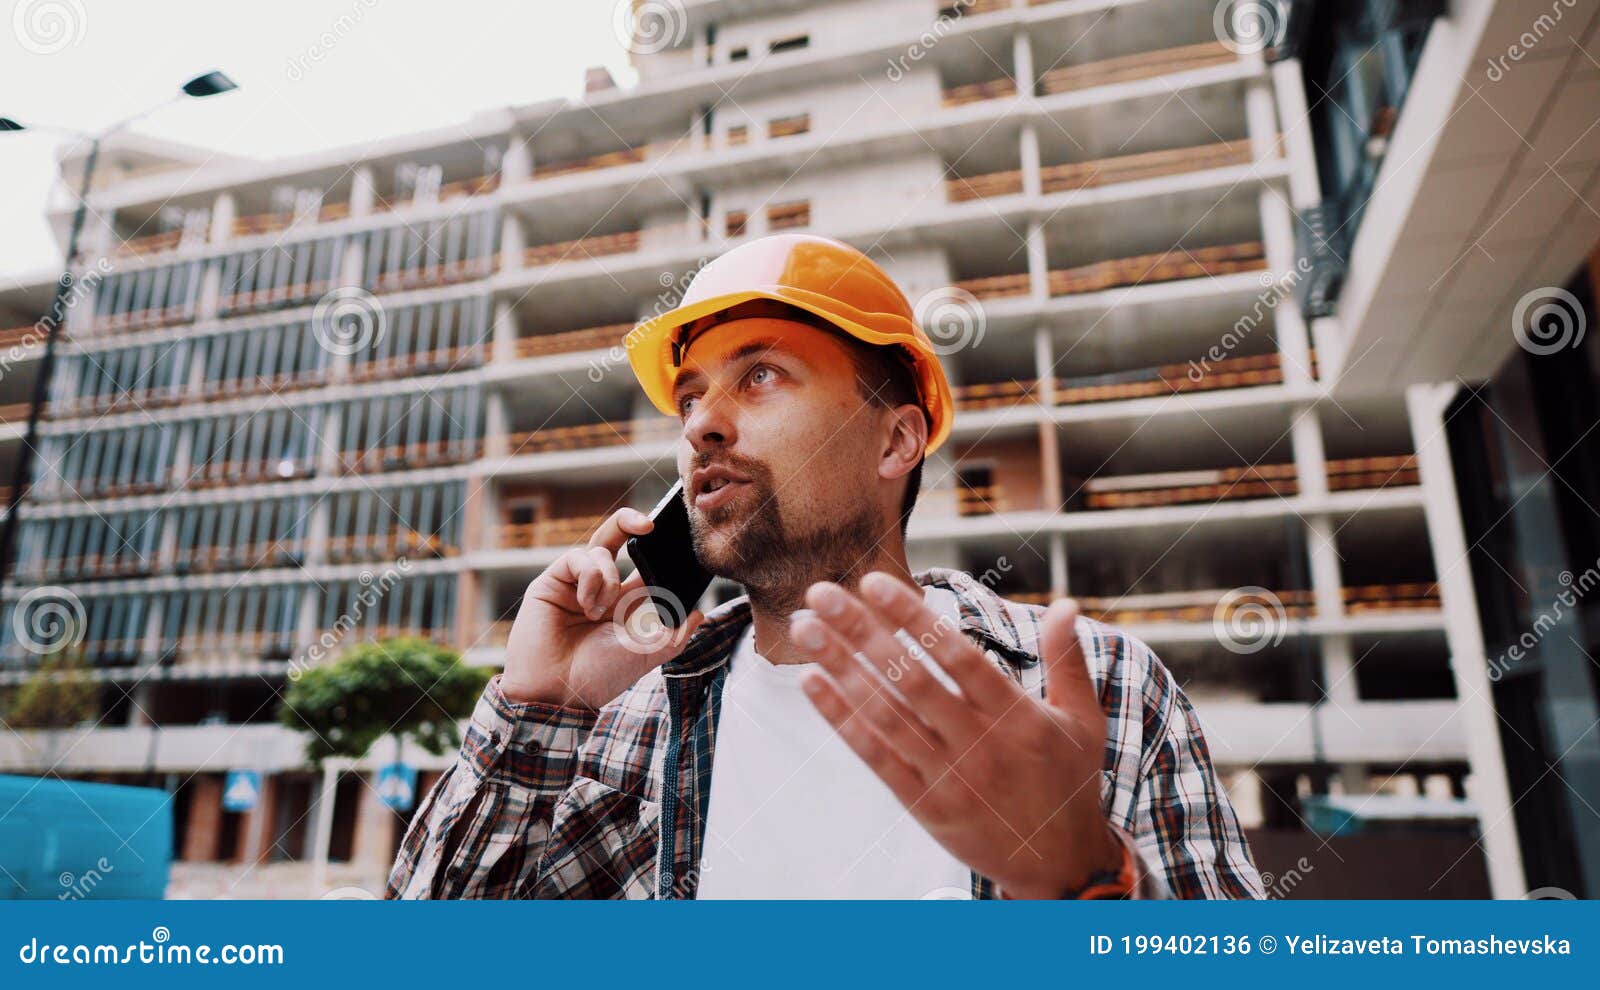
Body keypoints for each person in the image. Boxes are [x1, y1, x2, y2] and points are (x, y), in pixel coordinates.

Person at [387, 233, 1264, 899]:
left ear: (896, 439)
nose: (701, 425)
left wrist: (1091, 881)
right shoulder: (628, 722)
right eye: (690, 397)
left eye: (760, 376)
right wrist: (540, 711)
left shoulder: (1095, 688)